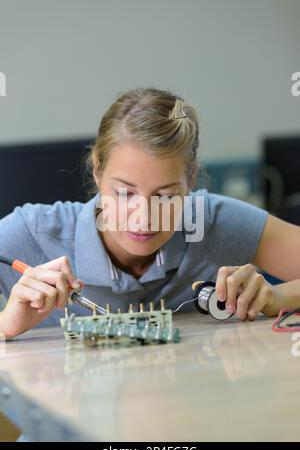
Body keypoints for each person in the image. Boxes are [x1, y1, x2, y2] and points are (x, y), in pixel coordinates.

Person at [0, 87, 300, 339]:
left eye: (166, 196)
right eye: (124, 192)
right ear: (97, 170)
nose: (144, 218)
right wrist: (5, 325)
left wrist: (277, 298)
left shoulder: (213, 221)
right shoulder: (27, 235)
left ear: (191, 179)